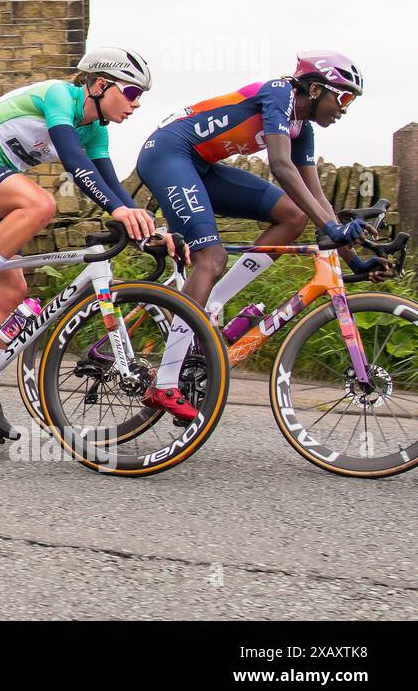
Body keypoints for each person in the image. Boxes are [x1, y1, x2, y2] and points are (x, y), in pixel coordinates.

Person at [0, 47, 166, 440]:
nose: (135, 104)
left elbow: (109, 183)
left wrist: (146, 224)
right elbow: (73, 160)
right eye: (132, 93)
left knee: (13, 289)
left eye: (140, 97)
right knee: (40, 203)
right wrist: (118, 211)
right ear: (100, 85)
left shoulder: (96, 131)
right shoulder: (59, 96)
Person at [136, 51, 368, 420]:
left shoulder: (301, 128)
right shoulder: (279, 93)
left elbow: (315, 199)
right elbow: (280, 166)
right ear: (313, 89)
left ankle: (210, 304)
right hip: (168, 154)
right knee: (210, 259)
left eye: (351, 101)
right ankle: (164, 383)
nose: (345, 108)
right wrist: (332, 228)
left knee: (292, 217)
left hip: (201, 166)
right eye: (342, 97)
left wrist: (354, 255)